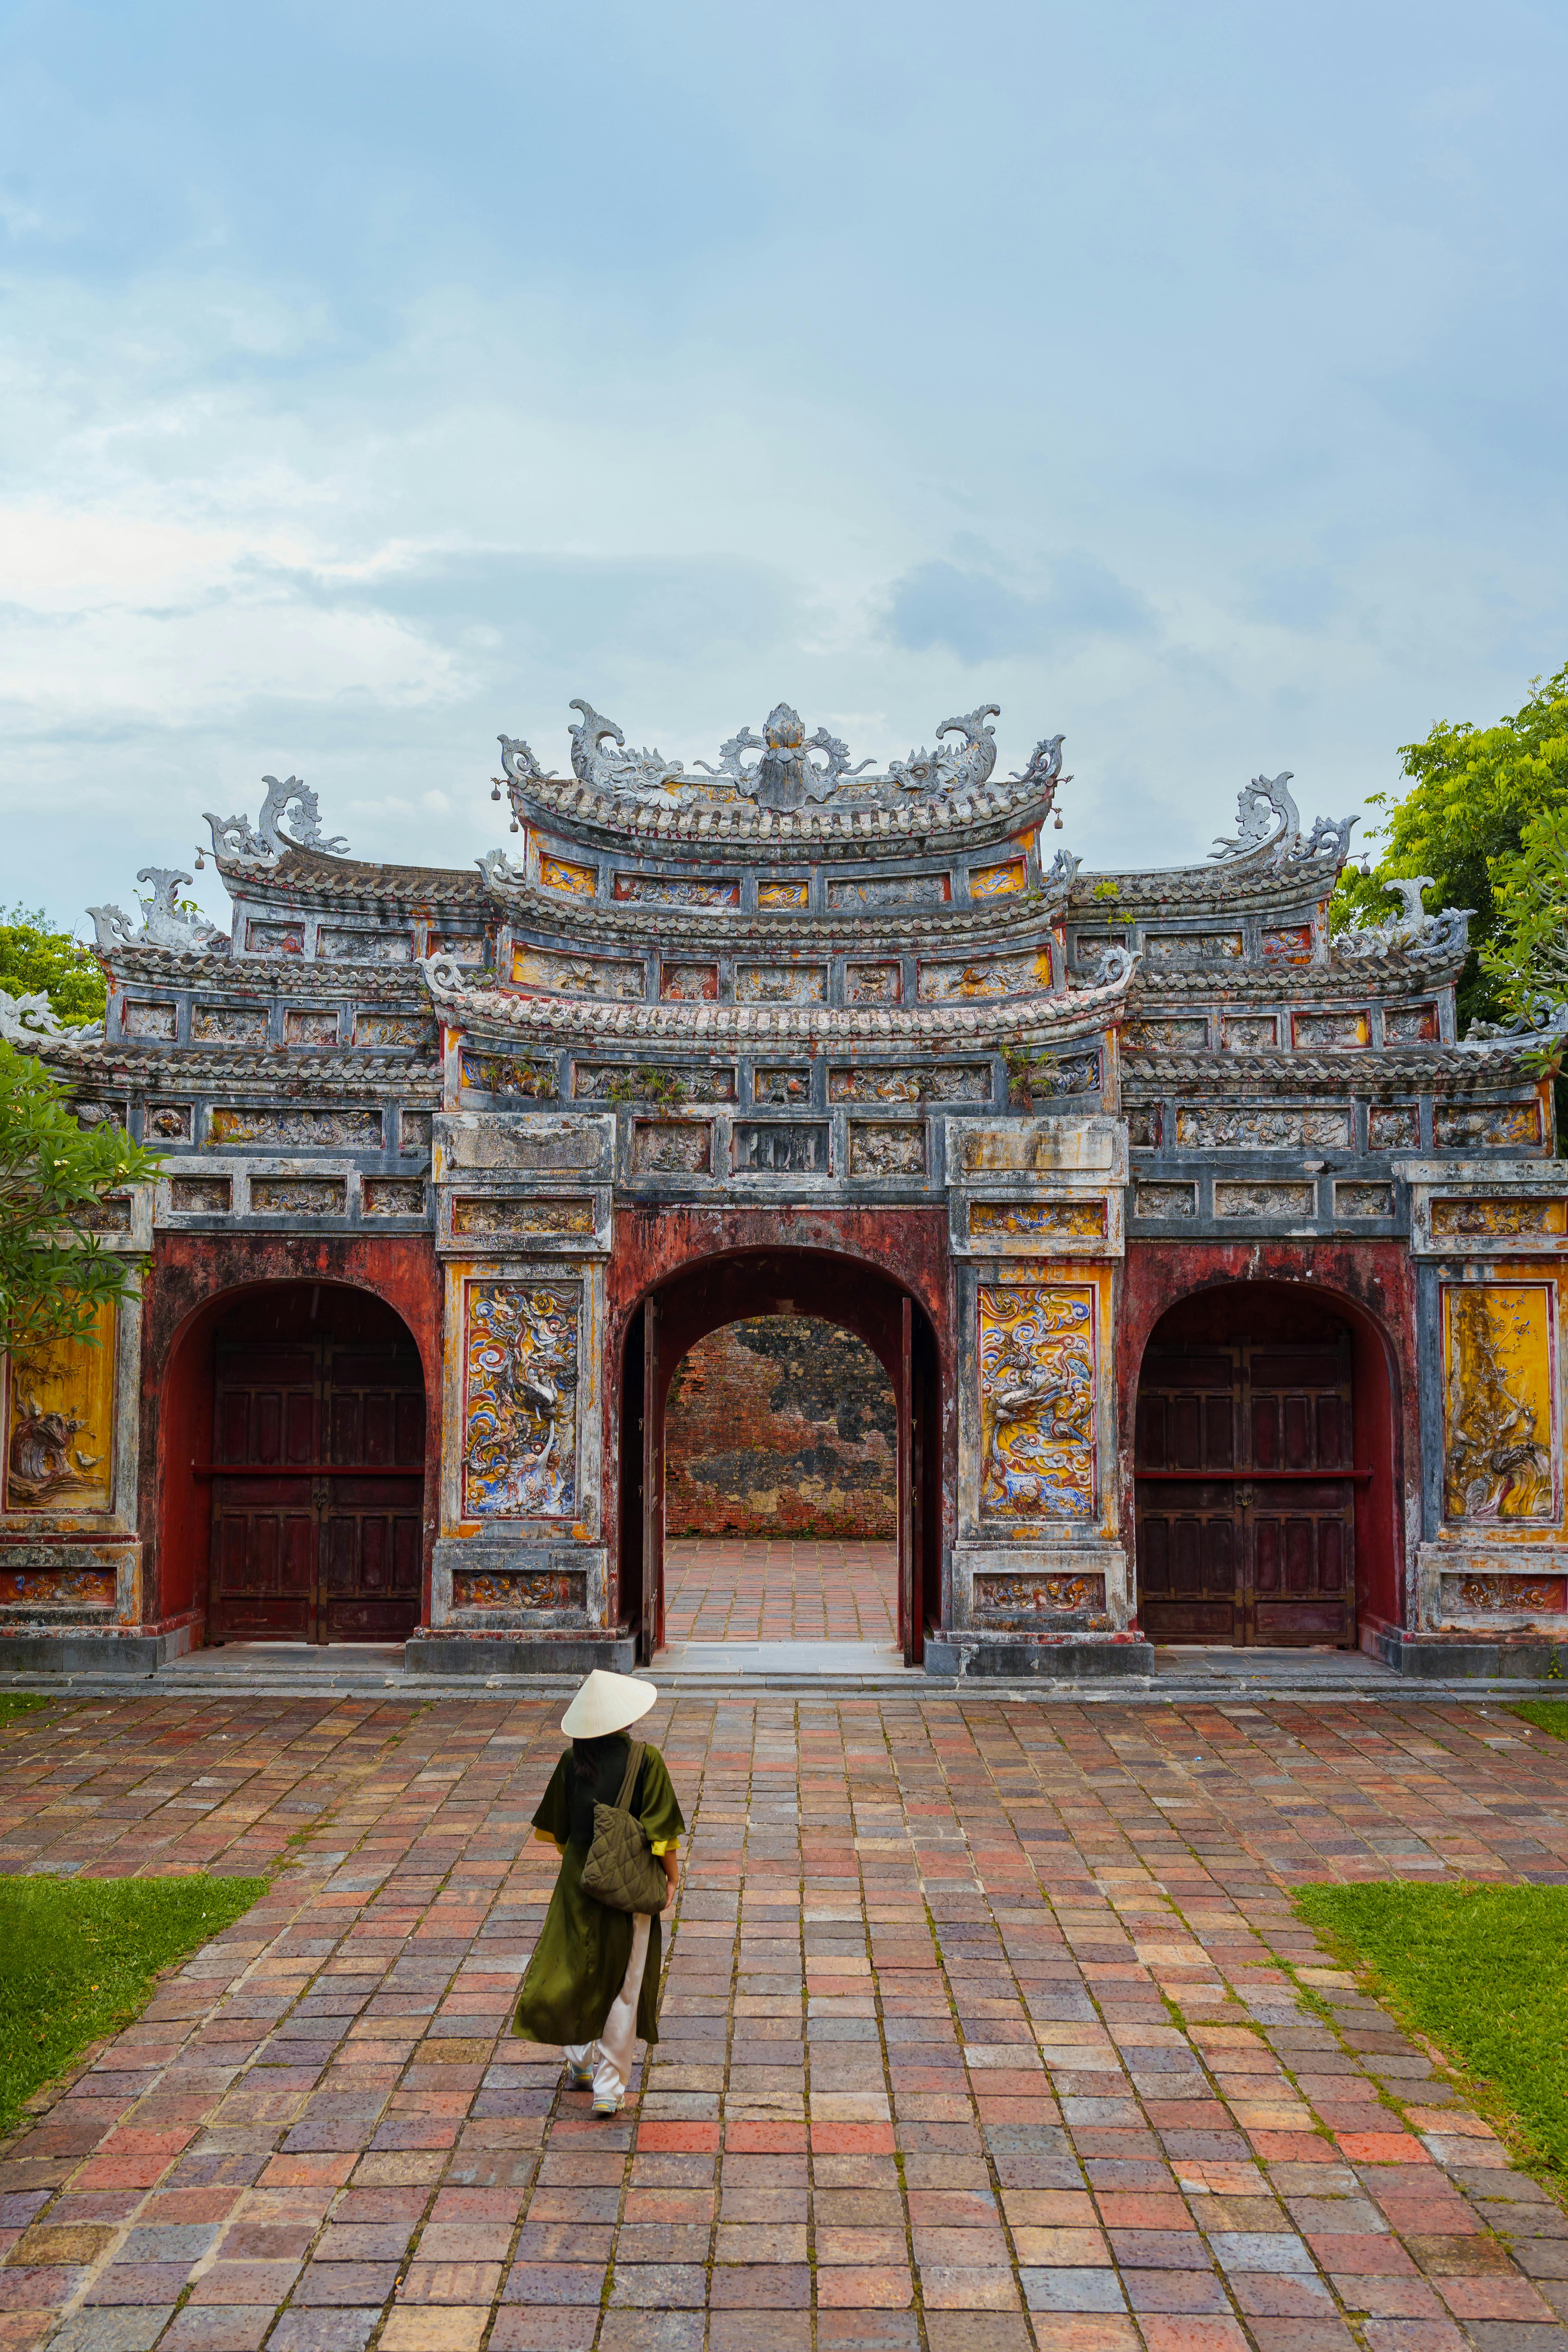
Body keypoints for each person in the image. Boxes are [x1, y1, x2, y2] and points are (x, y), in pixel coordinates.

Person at [512, 1668, 684, 2117]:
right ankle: (609, 2088)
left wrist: (584, 1861)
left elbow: (555, 1832)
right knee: (624, 1985)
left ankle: (579, 2063)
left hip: (578, 1883)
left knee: (576, 1968)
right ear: (626, 1719)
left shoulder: (572, 1762)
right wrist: (671, 1879)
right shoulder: (646, 1761)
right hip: (629, 1892)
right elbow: (662, 1837)